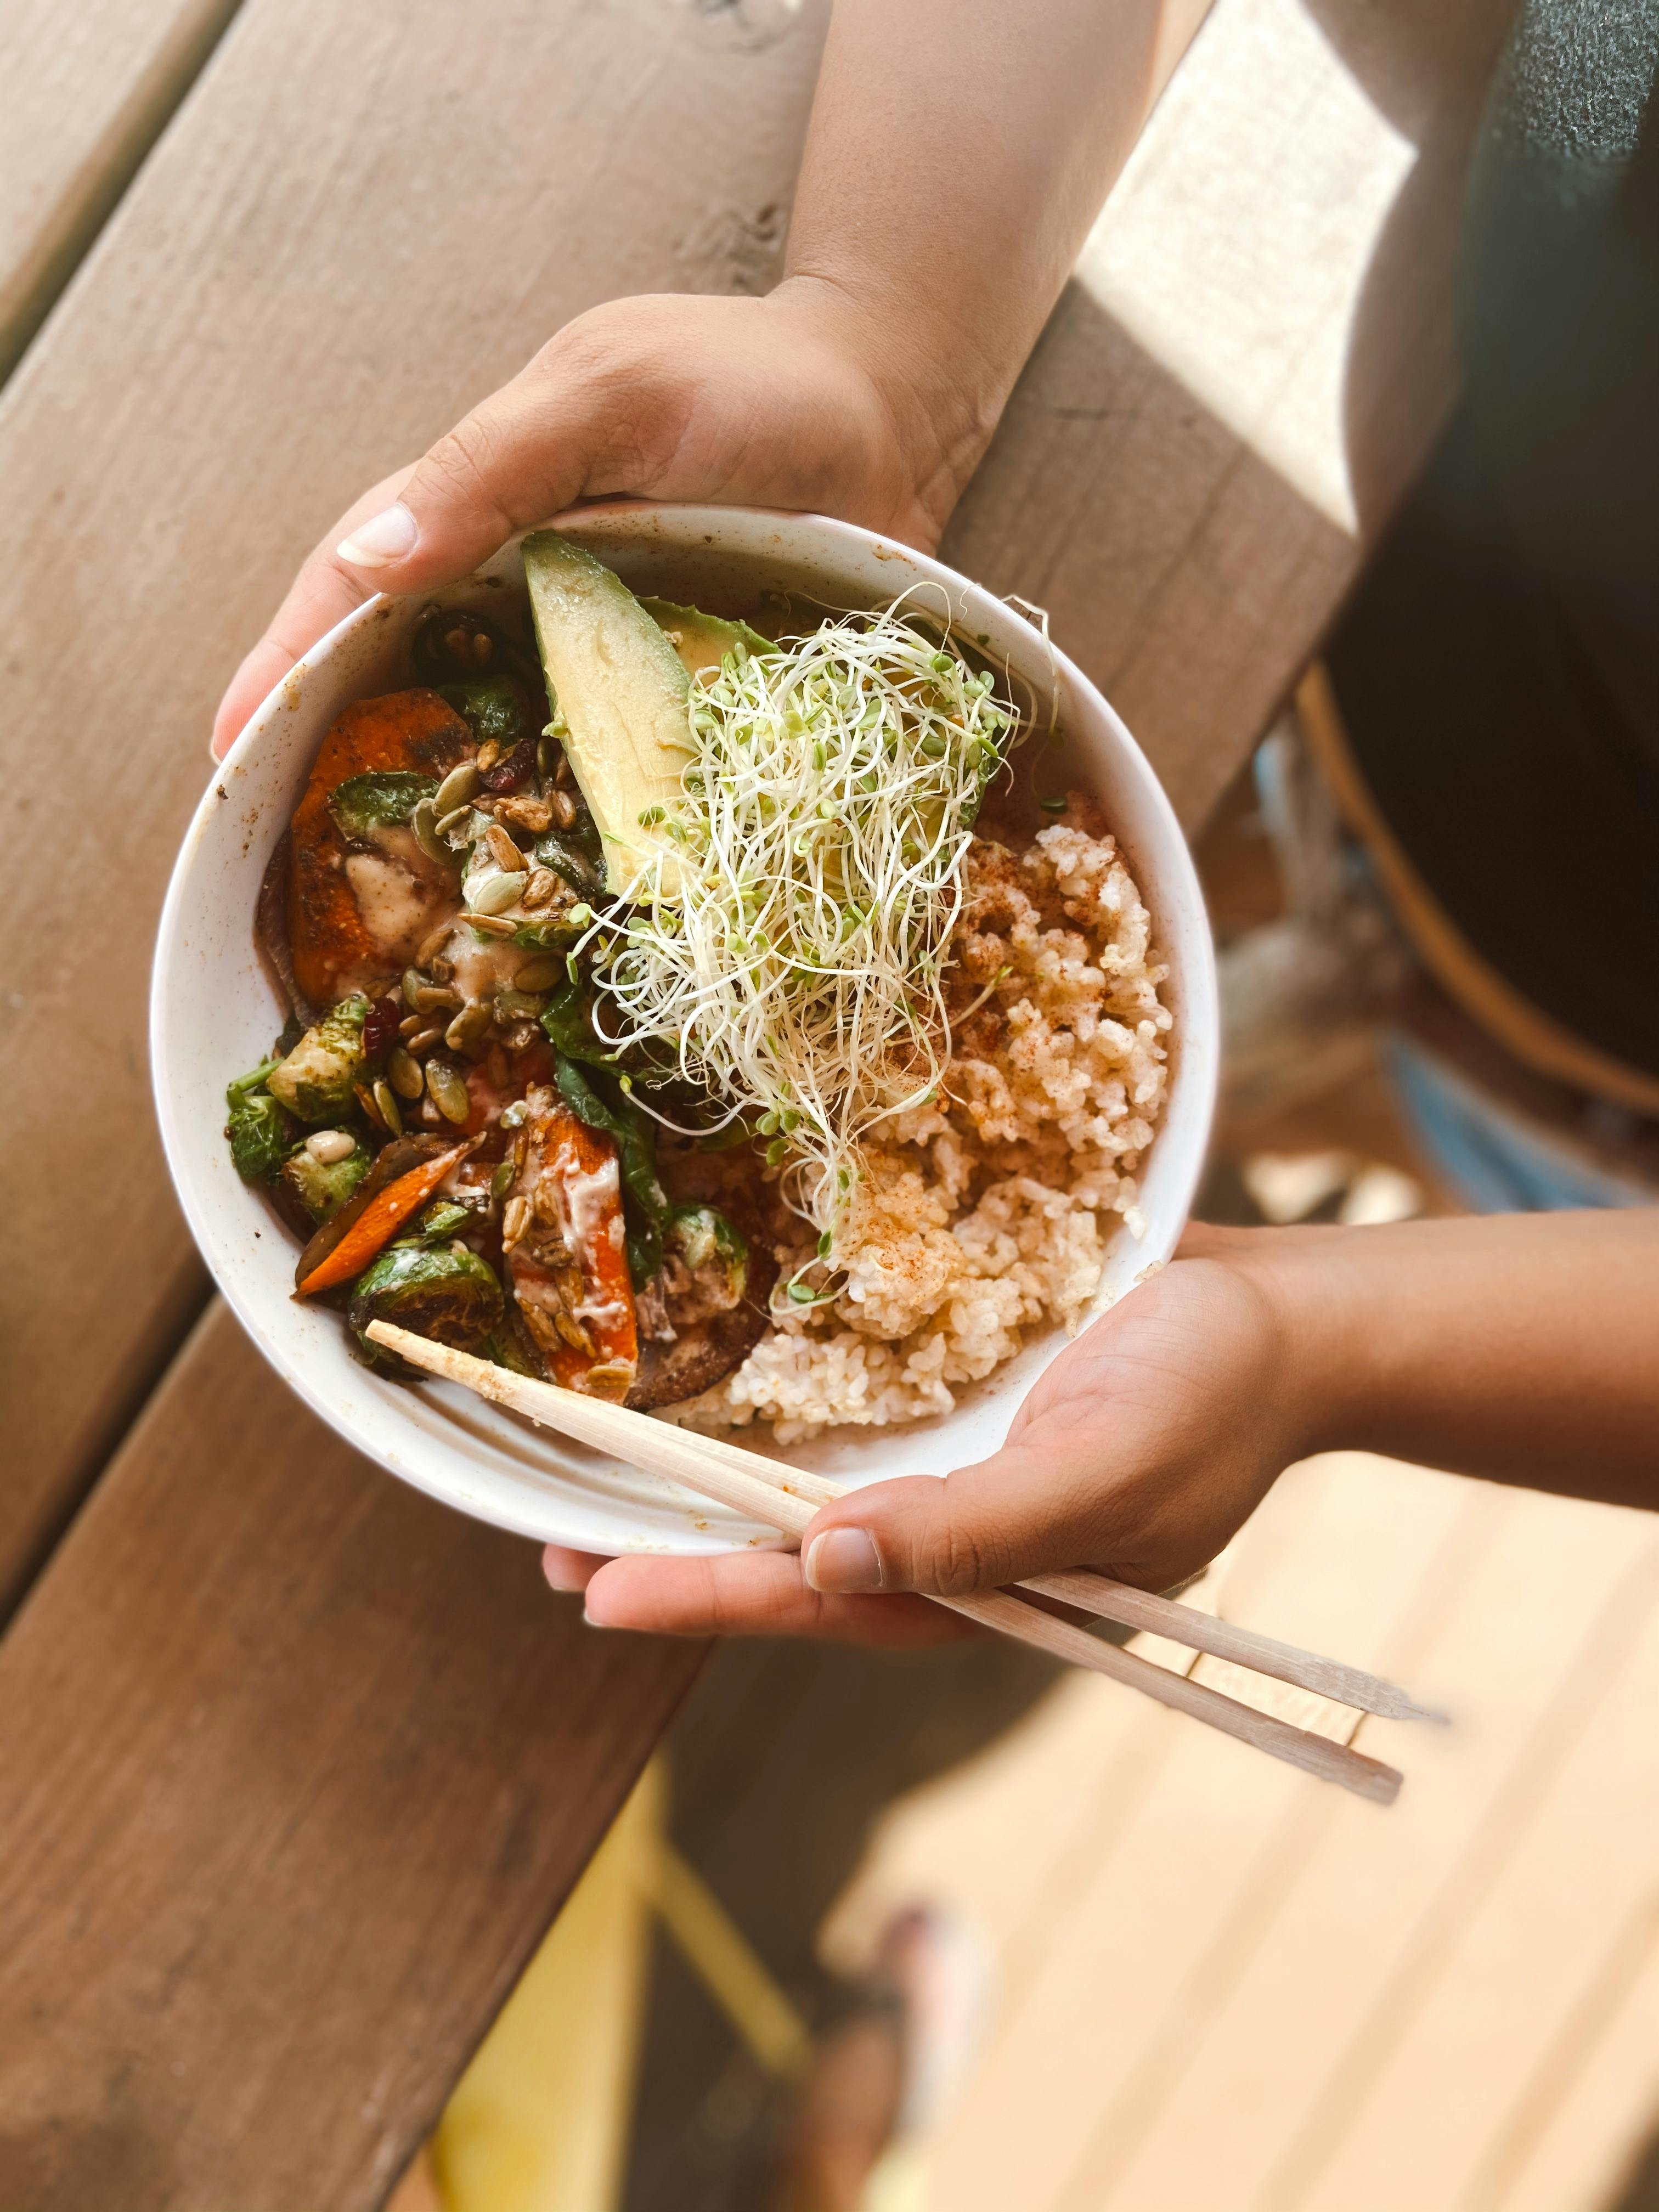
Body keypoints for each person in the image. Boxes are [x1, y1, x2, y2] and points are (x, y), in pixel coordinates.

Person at [215, 0, 1659, 1651]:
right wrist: (892, 324)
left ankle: (1351, 1098)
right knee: (1213, 1032)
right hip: (1379, 651)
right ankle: (1313, 1044)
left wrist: (1329, 1342)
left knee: (1316, 1107)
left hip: (1591, 1095)